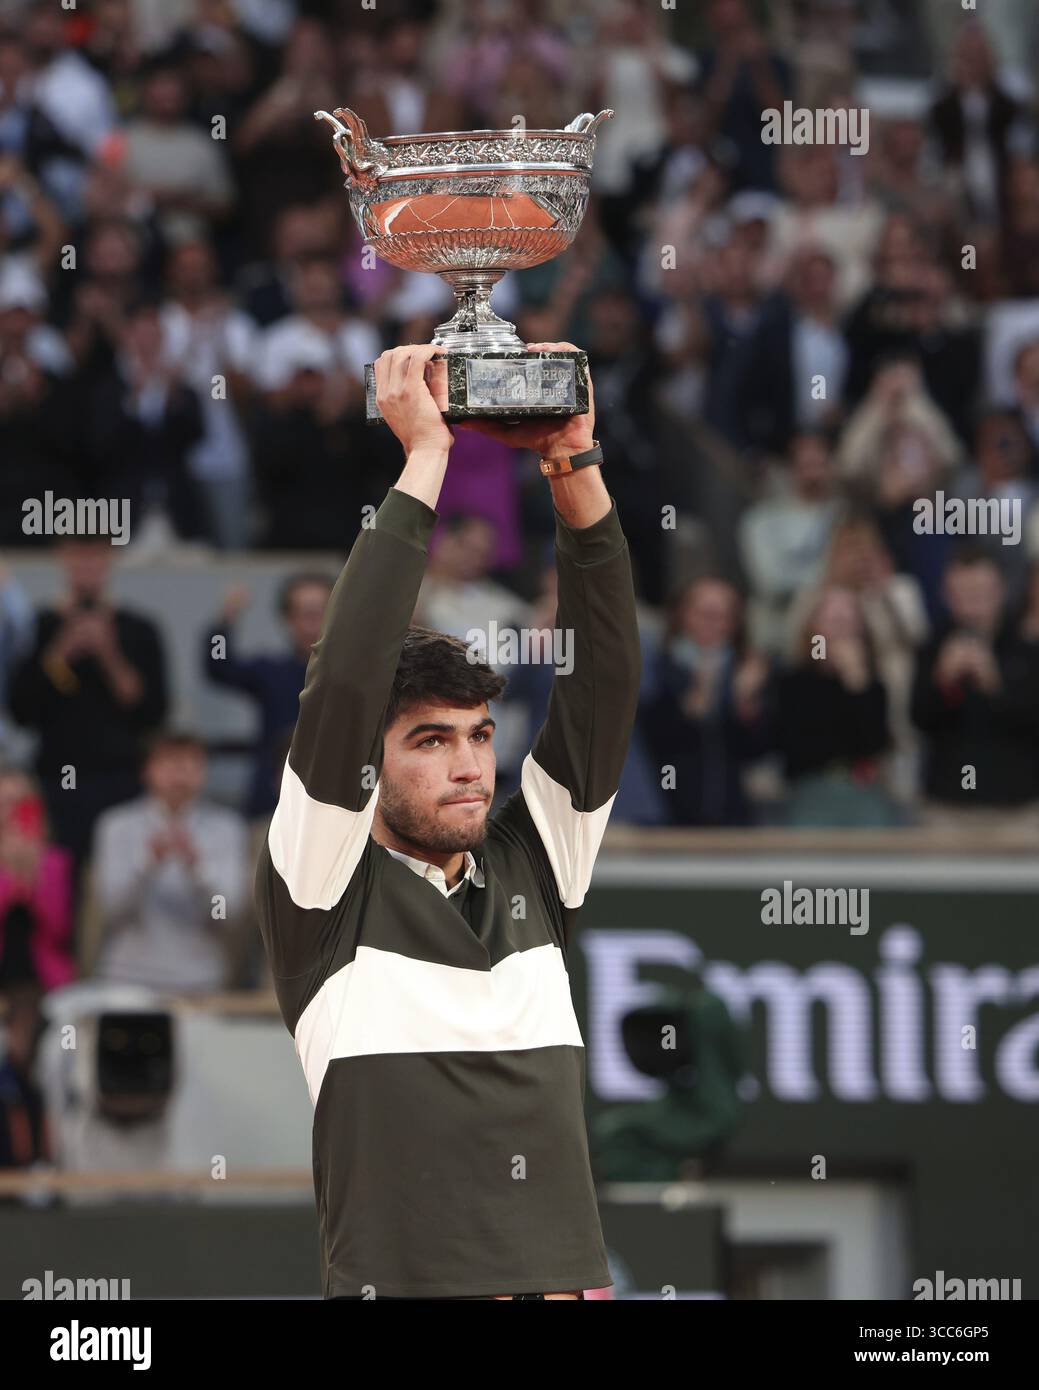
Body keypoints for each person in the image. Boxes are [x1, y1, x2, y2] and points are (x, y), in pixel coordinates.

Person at [255, 341, 641, 1300]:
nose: (470, 765)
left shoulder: (536, 866)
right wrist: (423, 458)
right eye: (429, 741)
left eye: (476, 735)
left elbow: (604, 680)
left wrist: (572, 465)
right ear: (369, 764)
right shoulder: (320, 893)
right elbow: (343, 681)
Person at [8, 539, 168, 876]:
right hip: (55, 780)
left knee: (119, 878)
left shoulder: (139, 629)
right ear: (62, 560)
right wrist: (60, 654)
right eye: (78, 555)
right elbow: (20, 711)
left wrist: (108, 654)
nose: (87, 564)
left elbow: (152, 713)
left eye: (96, 555)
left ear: (110, 560)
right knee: (56, 880)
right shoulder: (37, 627)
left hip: (120, 779)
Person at [91, 732, 248, 992]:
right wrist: (147, 864)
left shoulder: (227, 829)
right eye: (168, 763)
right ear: (146, 770)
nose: (179, 774)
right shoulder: (116, 825)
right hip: (127, 978)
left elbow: (230, 916)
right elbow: (110, 910)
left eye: (189, 763)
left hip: (200, 979)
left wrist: (198, 869)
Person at [911, 549, 1039, 826]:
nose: (973, 606)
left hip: (1018, 808)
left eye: (981, 593)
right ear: (947, 596)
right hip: (947, 806)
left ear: (1001, 592)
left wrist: (995, 686)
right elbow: (918, 719)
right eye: (963, 595)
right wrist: (943, 682)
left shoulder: (1028, 650)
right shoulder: (931, 649)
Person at [201, 573, 333, 821]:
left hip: (335, 804)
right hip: (271, 803)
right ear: (288, 619)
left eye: (322, 612)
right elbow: (218, 665)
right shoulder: (271, 671)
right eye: (305, 614)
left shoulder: (355, 676)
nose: (314, 623)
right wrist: (225, 621)